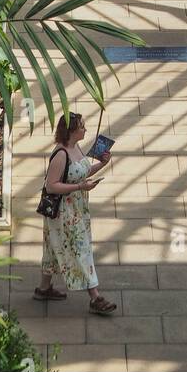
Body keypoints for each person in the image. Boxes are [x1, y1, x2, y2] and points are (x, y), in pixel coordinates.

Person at [35, 112, 117, 316]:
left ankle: (43, 289)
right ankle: (95, 297)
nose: (85, 129)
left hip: (77, 208)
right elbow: (51, 186)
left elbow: (81, 173)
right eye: (81, 126)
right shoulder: (61, 154)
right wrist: (80, 187)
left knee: (54, 248)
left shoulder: (75, 147)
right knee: (81, 249)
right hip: (64, 213)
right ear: (71, 131)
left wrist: (102, 165)